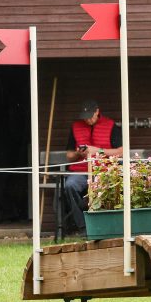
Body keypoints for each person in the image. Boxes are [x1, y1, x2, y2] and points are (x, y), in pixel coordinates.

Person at [63, 99, 123, 233]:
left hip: (103, 171)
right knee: (69, 186)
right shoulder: (76, 127)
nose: (88, 120)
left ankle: (102, 226)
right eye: (85, 118)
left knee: (107, 190)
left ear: (97, 111)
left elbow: (121, 152)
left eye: (90, 116)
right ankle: (84, 227)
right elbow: (69, 156)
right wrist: (79, 153)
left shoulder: (111, 125)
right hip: (80, 172)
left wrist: (98, 151)